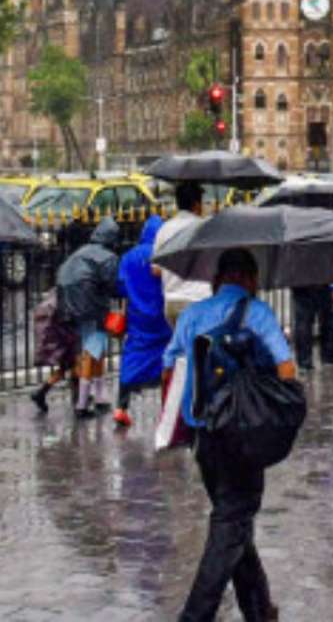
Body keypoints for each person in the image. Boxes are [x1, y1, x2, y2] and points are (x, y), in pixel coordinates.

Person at [162, 249, 294, 622]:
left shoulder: (191, 315)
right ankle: (195, 614)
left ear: (217, 279)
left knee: (234, 519)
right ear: (250, 279)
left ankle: (259, 608)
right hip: (244, 436)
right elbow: (287, 370)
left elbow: (169, 367)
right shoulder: (258, 314)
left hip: (204, 435)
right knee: (230, 525)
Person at [56, 217, 124, 419]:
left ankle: (100, 396)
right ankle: (82, 404)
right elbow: (112, 285)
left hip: (68, 300)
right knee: (91, 351)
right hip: (91, 303)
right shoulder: (108, 257)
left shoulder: (83, 251)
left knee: (96, 347)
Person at [113, 215, 170, 427]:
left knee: (132, 356)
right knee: (167, 359)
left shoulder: (128, 257)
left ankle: (121, 407)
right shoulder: (165, 254)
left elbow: (120, 286)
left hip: (137, 316)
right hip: (162, 316)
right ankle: (166, 409)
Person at [153, 182, 212, 327]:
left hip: (172, 302)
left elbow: (155, 270)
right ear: (197, 205)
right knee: (200, 346)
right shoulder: (205, 228)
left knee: (182, 345)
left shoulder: (164, 229)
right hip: (198, 299)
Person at [291, 282, 333, 369]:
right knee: (328, 319)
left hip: (300, 282)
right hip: (324, 281)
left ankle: (304, 361)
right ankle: (329, 356)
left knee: (303, 322)